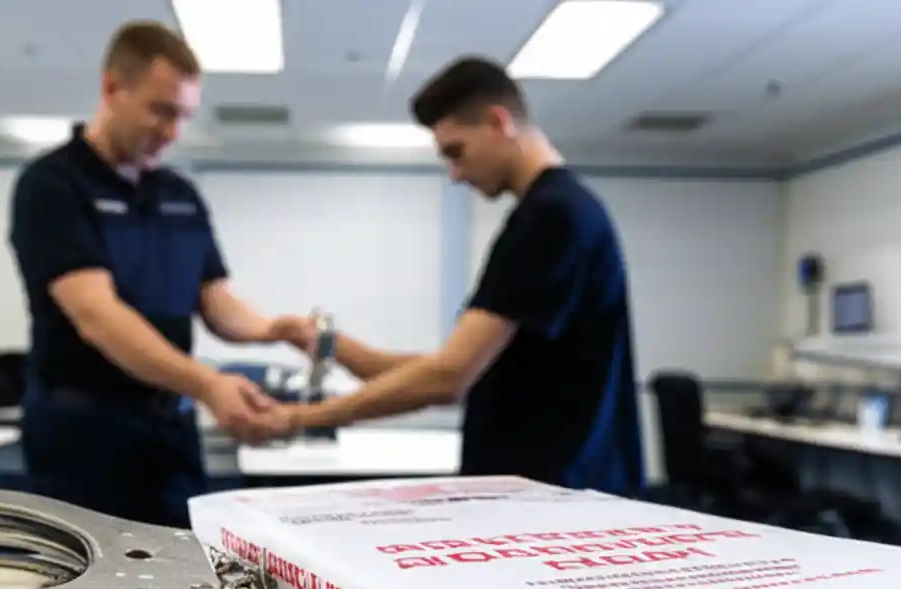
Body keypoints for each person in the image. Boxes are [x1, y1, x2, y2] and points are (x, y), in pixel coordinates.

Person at [272, 57, 645, 495]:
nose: (455, 174)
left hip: (552, 499)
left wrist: (295, 419)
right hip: (543, 490)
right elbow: (463, 369)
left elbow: (448, 377)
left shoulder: (553, 216)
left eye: (456, 151)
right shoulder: (557, 211)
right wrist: (329, 347)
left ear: (497, 122)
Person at [7, 21, 296, 528]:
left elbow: (216, 301)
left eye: (183, 116)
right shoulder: (52, 185)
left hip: (169, 427)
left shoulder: (180, 195)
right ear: (112, 88)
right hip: (83, 434)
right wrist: (207, 384)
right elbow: (98, 316)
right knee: (96, 587)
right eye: (160, 112)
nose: (172, 132)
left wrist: (277, 331)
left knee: (188, 573)